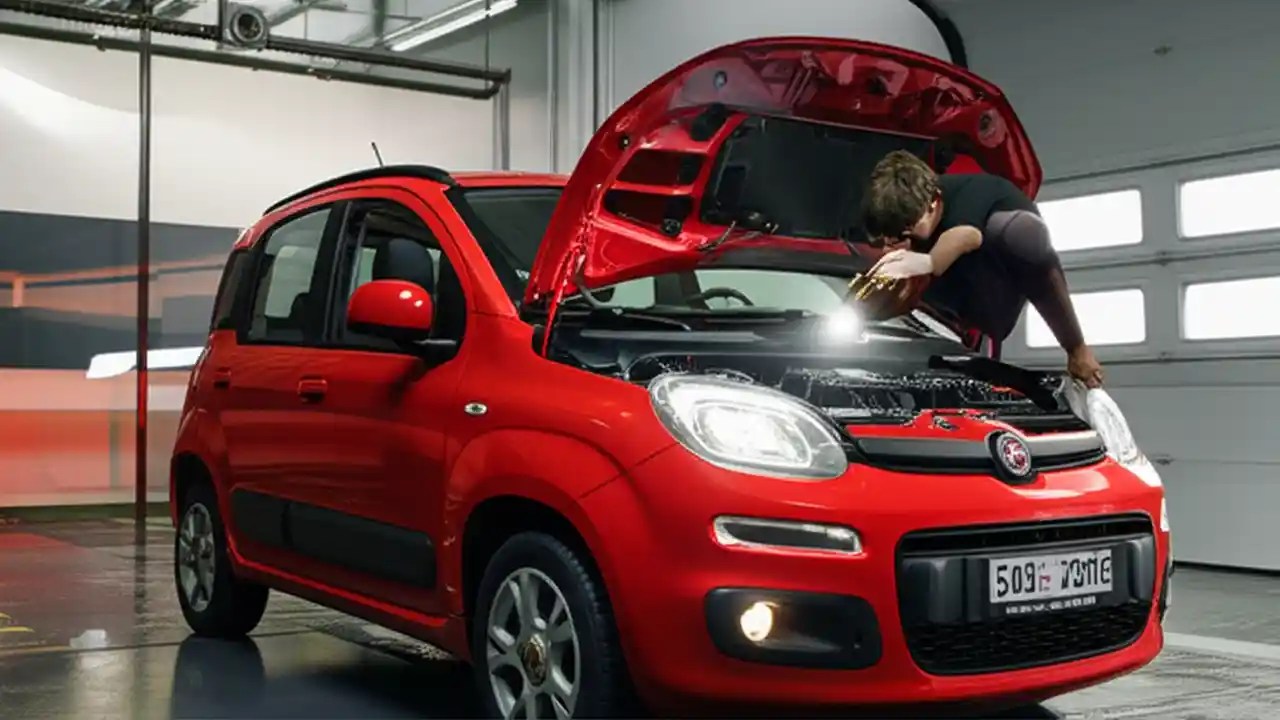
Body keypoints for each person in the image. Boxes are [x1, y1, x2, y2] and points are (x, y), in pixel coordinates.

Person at [860, 150, 1105, 387]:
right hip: (941, 314)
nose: (896, 244)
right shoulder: (908, 213)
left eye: (905, 231)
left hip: (996, 282)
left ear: (934, 202)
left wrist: (1076, 348)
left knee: (1020, 234)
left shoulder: (973, 196)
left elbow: (967, 235)